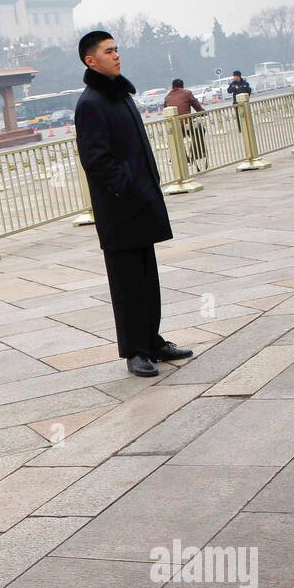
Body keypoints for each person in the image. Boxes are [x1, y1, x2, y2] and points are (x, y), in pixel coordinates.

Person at [74, 31, 192, 378]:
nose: (116, 56)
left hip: (141, 199)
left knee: (146, 277)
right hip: (120, 207)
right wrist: (125, 188)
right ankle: (134, 351)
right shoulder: (91, 102)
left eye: (117, 50)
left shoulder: (120, 95)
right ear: (90, 60)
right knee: (126, 283)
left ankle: (152, 341)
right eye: (108, 52)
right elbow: (96, 161)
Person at [163, 78, 208, 165]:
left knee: (177, 139)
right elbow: (196, 105)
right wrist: (202, 112)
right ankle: (197, 153)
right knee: (200, 130)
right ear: (182, 86)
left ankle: (183, 157)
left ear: (172, 87)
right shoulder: (187, 93)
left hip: (173, 125)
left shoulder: (167, 97)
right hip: (186, 123)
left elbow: (165, 109)